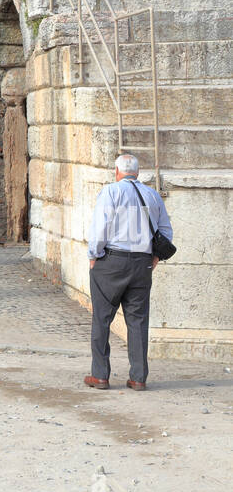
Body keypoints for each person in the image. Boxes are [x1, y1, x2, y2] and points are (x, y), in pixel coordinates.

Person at [84, 153, 173, 391]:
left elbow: (99, 229)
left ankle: (100, 376)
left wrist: (94, 256)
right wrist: (154, 257)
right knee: (138, 320)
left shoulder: (110, 192)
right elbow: (166, 230)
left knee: (102, 319)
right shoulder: (152, 195)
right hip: (142, 264)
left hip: (112, 261)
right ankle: (138, 377)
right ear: (138, 172)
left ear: (116, 171)